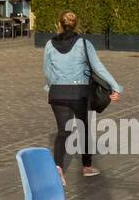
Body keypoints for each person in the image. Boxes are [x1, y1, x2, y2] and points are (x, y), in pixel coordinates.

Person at [43, 10, 122, 181]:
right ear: (76, 24)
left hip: (57, 93)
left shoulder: (49, 44)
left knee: (62, 131)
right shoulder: (84, 44)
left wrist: (51, 86)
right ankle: (87, 166)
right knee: (84, 129)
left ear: (59, 24)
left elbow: (47, 71)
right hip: (79, 93)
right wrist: (115, 87)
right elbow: (98, 67)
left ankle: (58, 167)